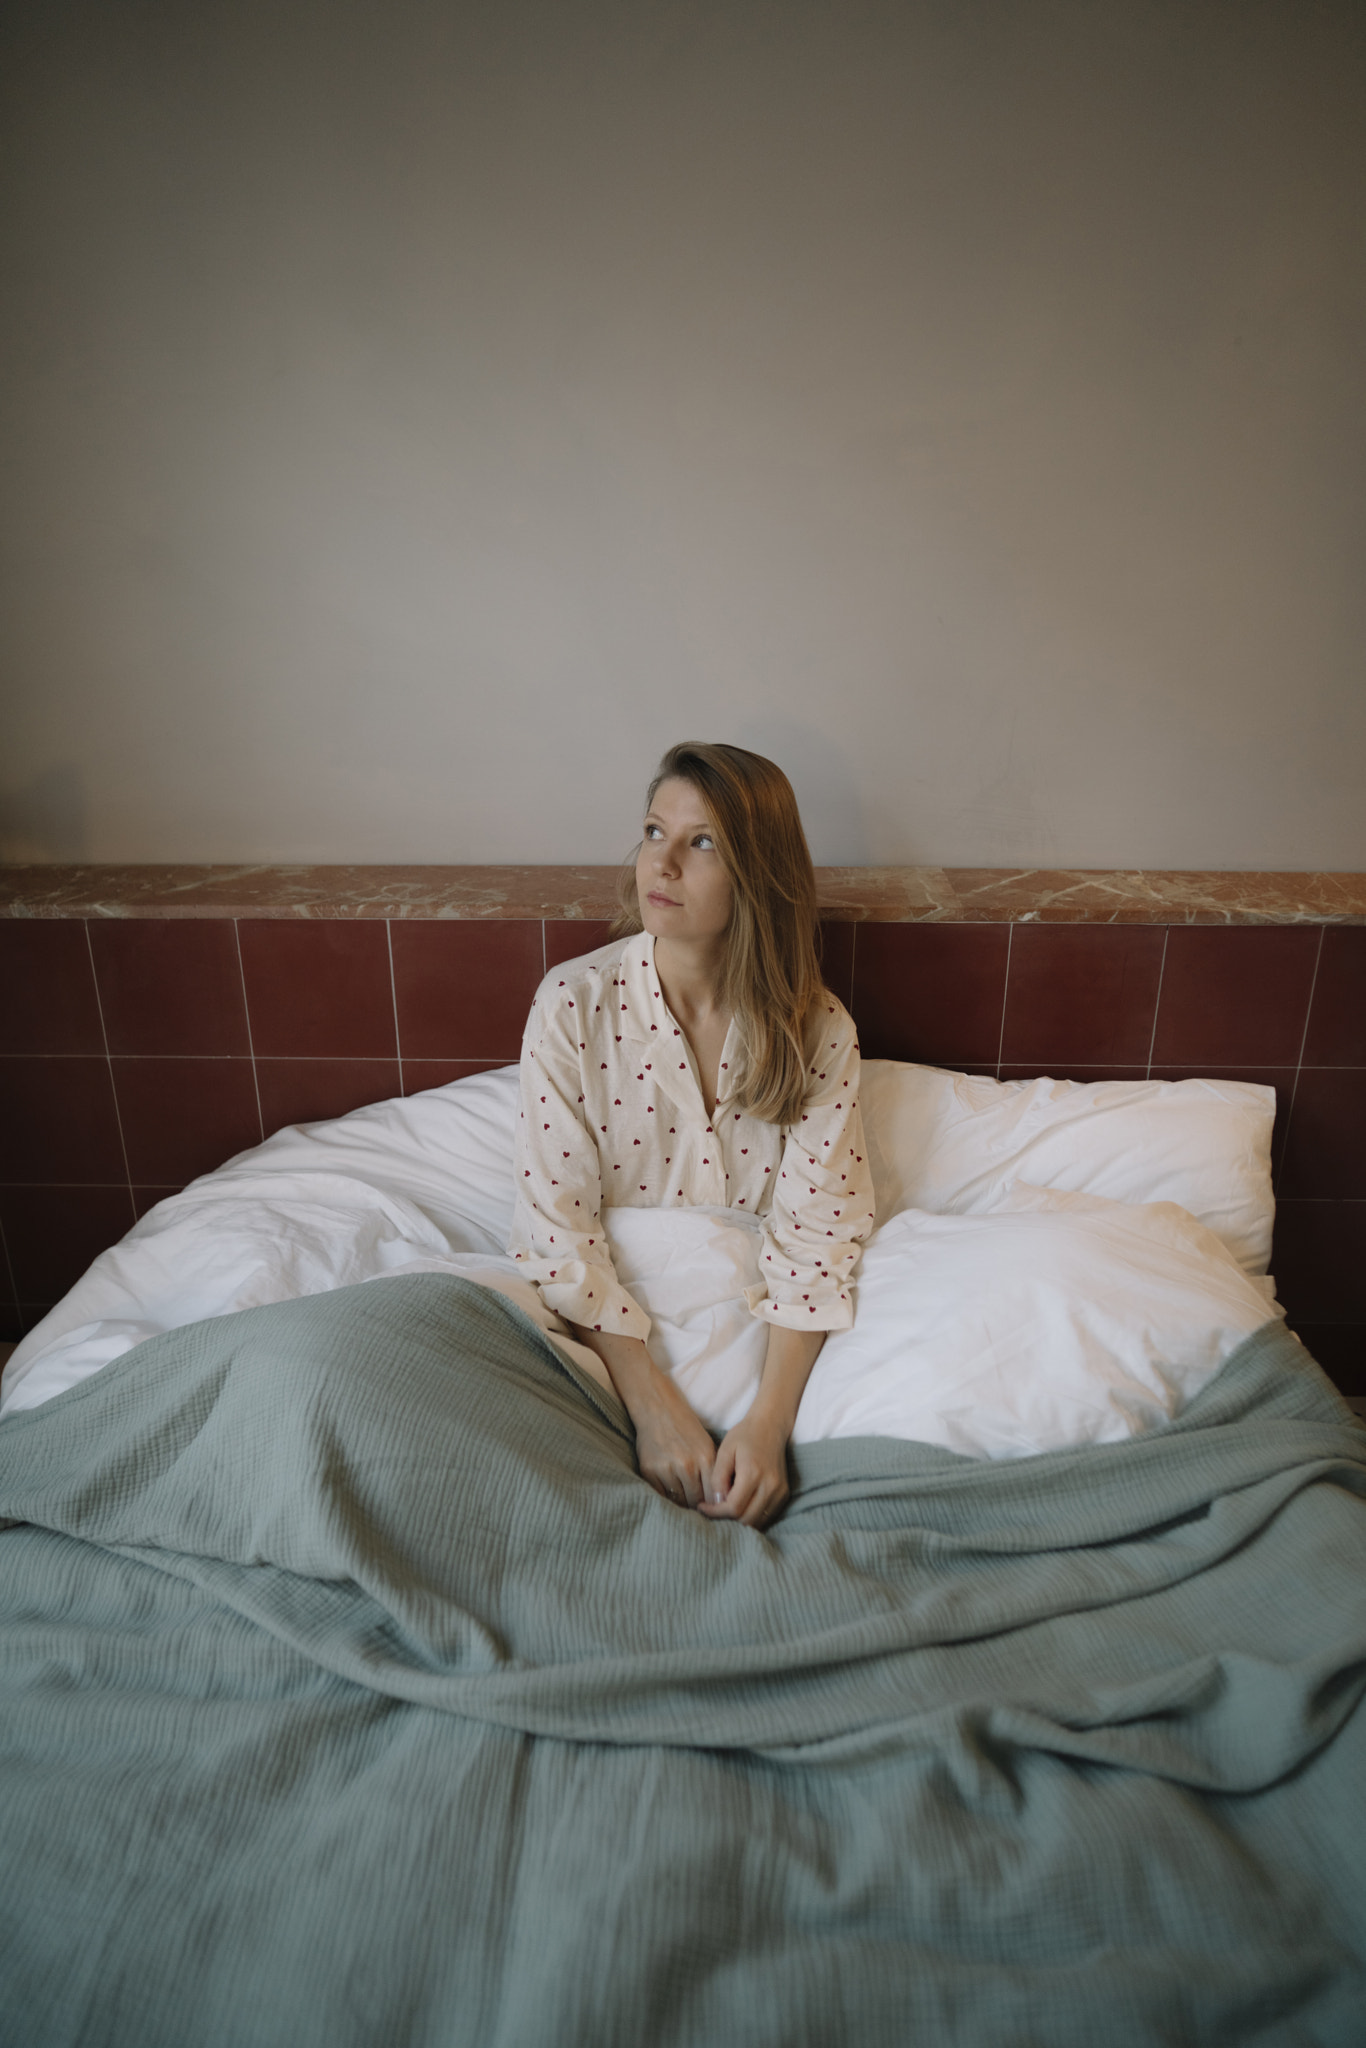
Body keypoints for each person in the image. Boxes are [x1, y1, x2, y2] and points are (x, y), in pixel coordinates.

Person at [509, 743, 873, 1527]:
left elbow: (818, 1240)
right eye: (652, 831)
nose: (661, 863)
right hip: (607, 1349)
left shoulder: (817, 1031)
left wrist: (769, 1427)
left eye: (701, 841)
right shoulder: (575, 1005)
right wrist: (652, 1408)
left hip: (752, 1351)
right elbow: (557, 1237)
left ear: (759, 874)